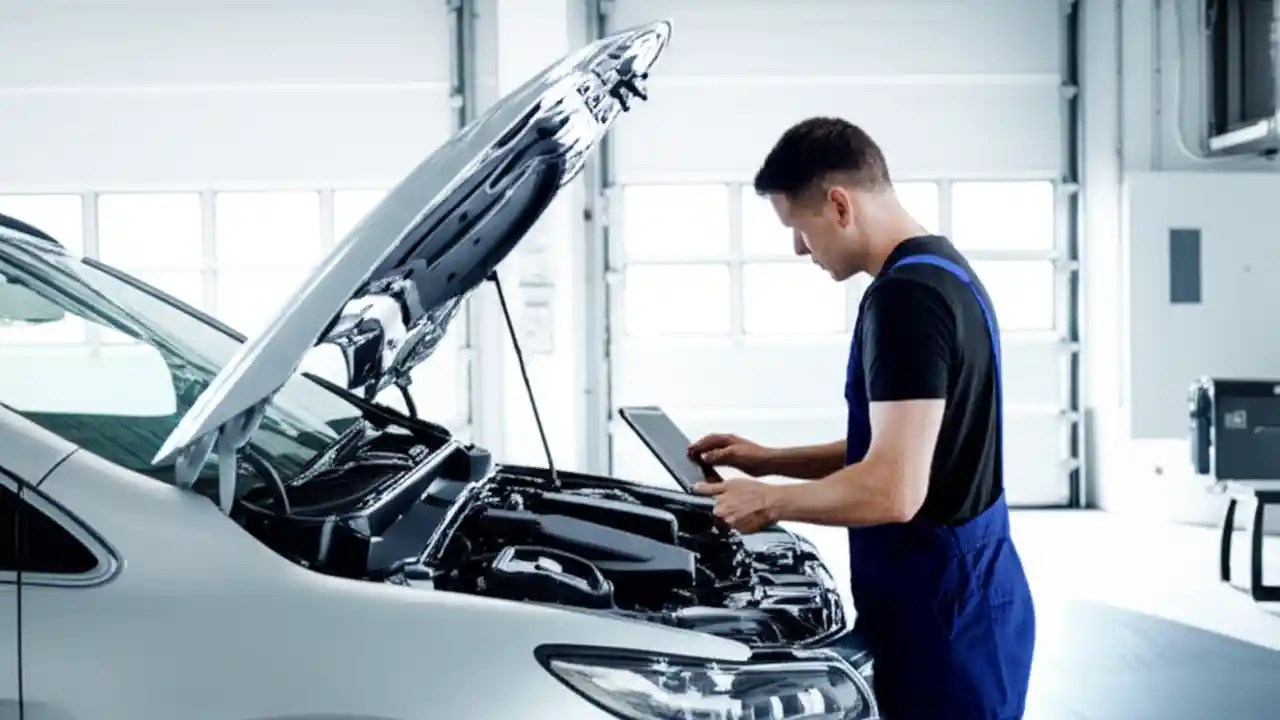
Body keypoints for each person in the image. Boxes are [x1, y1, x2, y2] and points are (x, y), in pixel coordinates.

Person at [688, 117, 1035, 719]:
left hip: (943, 615)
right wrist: (767, 459)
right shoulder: (944, 271)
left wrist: (767, 502)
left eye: (799, 228)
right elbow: (903, 446)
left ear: (839, 204)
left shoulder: (904, 301)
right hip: (971, 593)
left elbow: (894, 490)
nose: (799, 249)